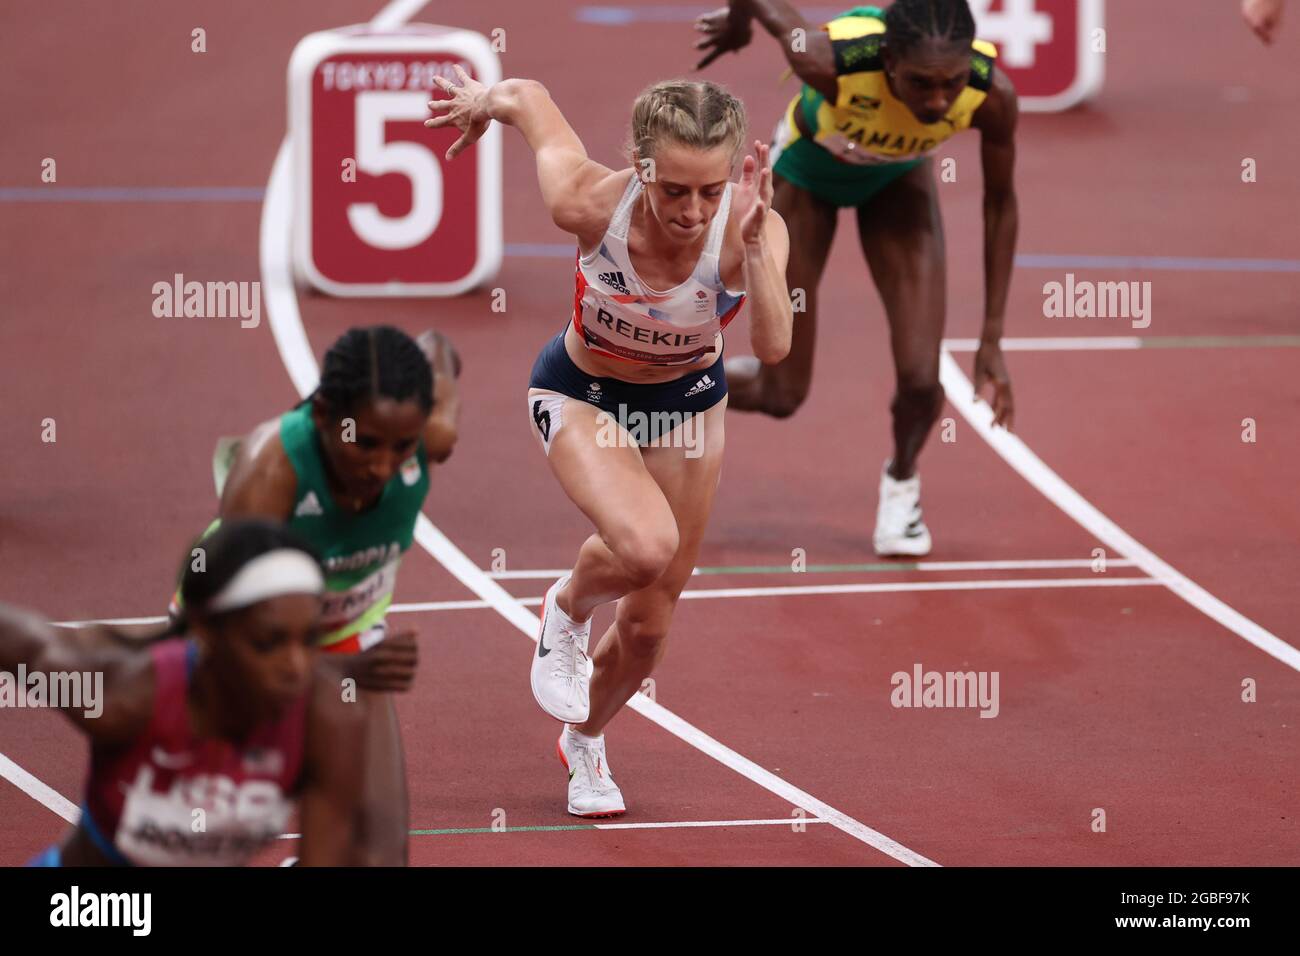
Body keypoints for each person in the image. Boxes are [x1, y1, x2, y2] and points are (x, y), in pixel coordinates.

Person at [427, 69, 792, 816]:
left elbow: (776, 350)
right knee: (644, 545)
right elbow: (532, 97)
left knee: (651, 623)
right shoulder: (589, 201)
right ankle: (564, 607)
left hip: (687, 407)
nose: (693, 212)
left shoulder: (747, 228)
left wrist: (753, 248)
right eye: (674, 191)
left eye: (711, 191)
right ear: (641, 169)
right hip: (581, 391)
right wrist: (479, 104)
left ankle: (585, 739)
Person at [695, 0, 1019, 555]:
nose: (939, 102)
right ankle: (667, 389)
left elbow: (1000, 205)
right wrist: (739, 23)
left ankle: (901, 484)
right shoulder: (825, 60)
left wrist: (992, 336)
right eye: (920, 84)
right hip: (805, 182)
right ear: (889, 61)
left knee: (922, 380)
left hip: (896, 186)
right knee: (782, 393)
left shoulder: (991, 96)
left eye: (952, 83)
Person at [210, 324, 460, 863]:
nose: (382, 467)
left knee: (380, 853)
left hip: (346, 636)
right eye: (365, 443)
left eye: (401, 446)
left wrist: (437, 353)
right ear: (324, 415)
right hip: (238, 648)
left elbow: (437, 349)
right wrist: (343, 675)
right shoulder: (269, 474)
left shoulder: (431, 432)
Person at [8, 519, 365, 867]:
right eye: (267, 643)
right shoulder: (128, 695)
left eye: (310, 640)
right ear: (206, 630)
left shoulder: (325, 722)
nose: (297, 668)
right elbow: (26, 646)